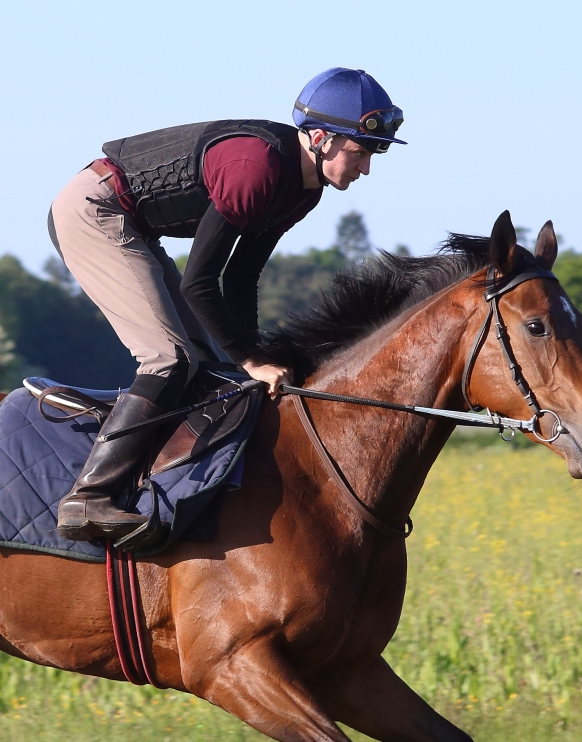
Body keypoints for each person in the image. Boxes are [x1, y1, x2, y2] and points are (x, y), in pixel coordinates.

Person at [48, 68, 404, 543]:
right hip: (96, 210)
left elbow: (240, 277)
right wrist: (252, 359)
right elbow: (200, 284)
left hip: (136, 223)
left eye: (373, 154)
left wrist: (257, 357)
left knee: (206, 369)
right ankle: (90, 497)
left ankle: (155, 485)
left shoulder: (305, 191)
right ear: (320, 138)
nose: (365, 169)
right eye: (360, 152)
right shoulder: (256, 169)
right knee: (168, 360)